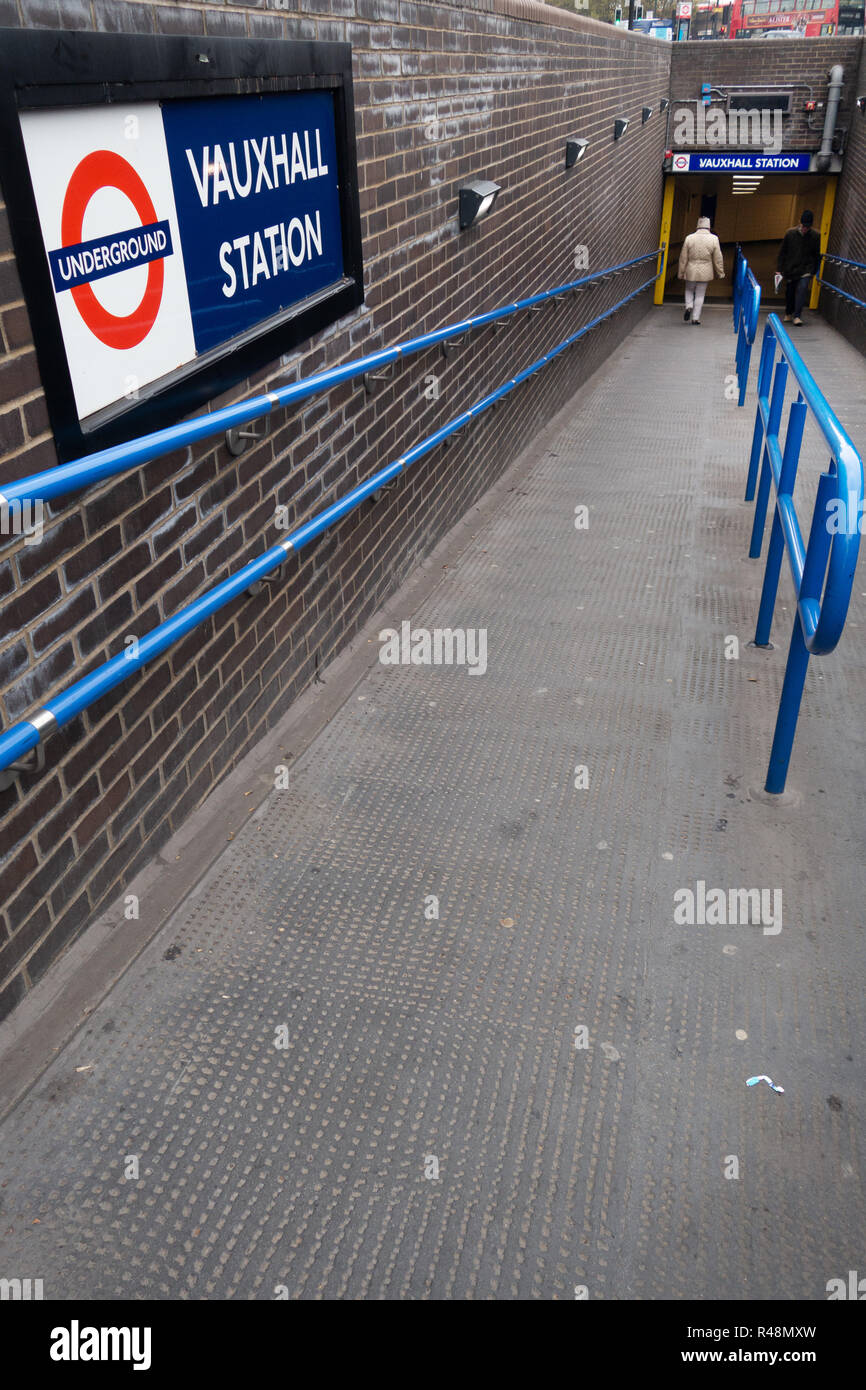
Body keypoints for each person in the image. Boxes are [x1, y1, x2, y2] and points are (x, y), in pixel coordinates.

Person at [677, 216, 725, 325]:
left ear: (698, 225)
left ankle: (689, 306)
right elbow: (718, 258)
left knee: (689, 290)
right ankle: (695, 318)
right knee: (700, 295)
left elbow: (683, 257)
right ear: (708, 226)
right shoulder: (714, 239)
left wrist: (681, 272)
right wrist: (720, 272)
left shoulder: (689, 238)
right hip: (706, 270)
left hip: (691, 269)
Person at [777, 210, 821, 326]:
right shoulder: (790, 234)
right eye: (803, 226)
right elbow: (783, 252)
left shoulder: (815, 236)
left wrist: (814, 271)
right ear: (799, 223)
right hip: (791, 268)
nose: (805, 229)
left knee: (802, 289)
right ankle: (788, 312)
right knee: (790, 292)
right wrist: (779, 268)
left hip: (806, 268)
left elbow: (817, 254)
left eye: (808, 227)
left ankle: (797, 316)